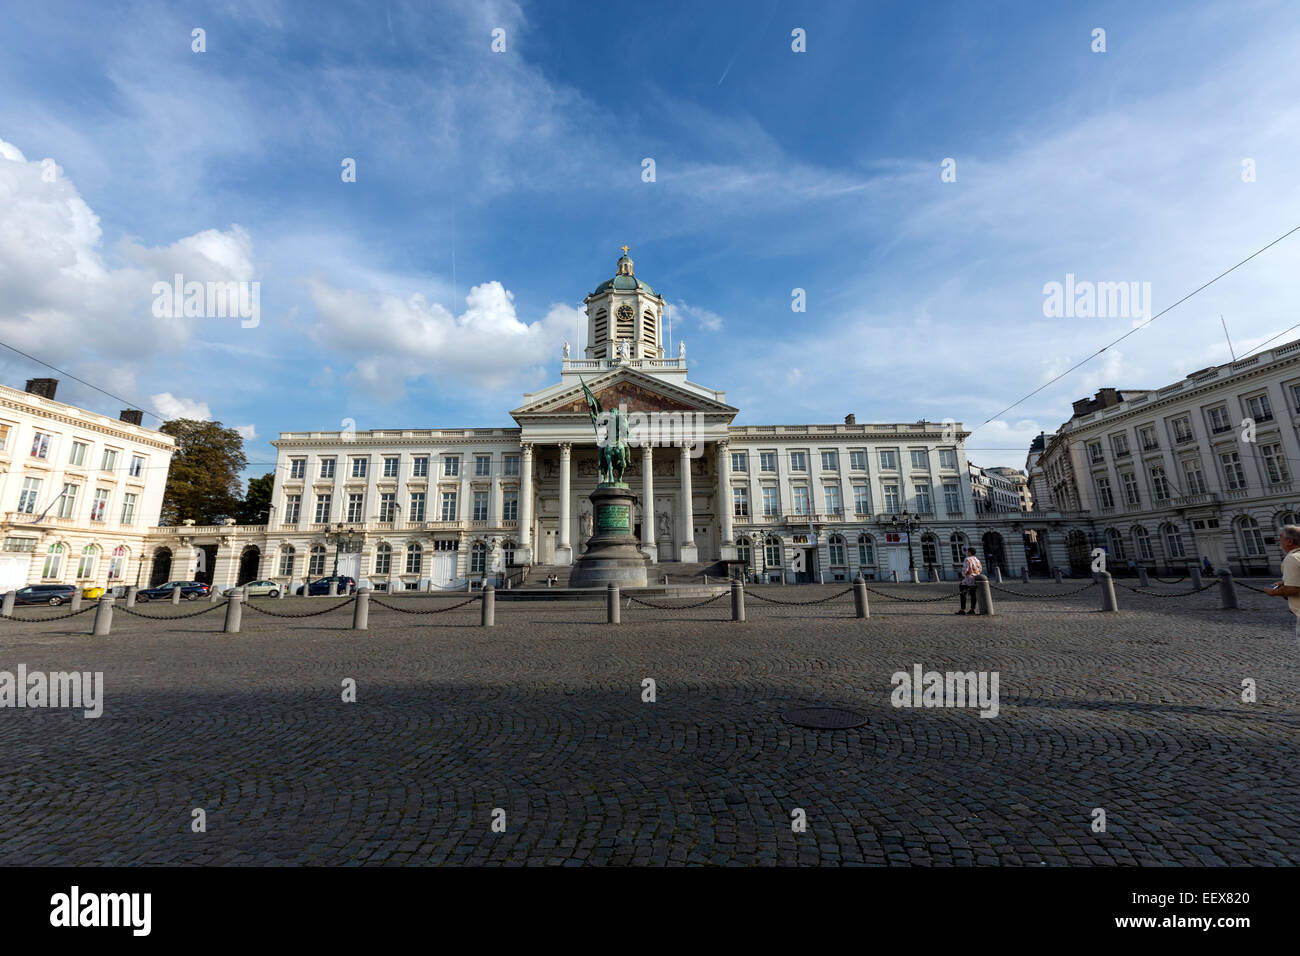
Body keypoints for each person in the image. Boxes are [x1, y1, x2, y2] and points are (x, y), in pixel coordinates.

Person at [1263, 525, 1300, 635]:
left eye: (1280, 538)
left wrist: (1273, 591)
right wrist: (1285, 582)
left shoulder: (1292, 558)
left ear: (1289, 541)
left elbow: (1293, 589)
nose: (1279, 541)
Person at [956, 547, 982, 615]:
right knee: (973, 594)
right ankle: (972, 609)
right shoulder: (977, 560)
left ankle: (963, 609)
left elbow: (965, 569)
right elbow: (980, 569)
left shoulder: (967, 559)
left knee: (962, 593)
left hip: (968, 579)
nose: (967, 552)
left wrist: (963, 575)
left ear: (970, 552)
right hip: (975, 578)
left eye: (968, 551)